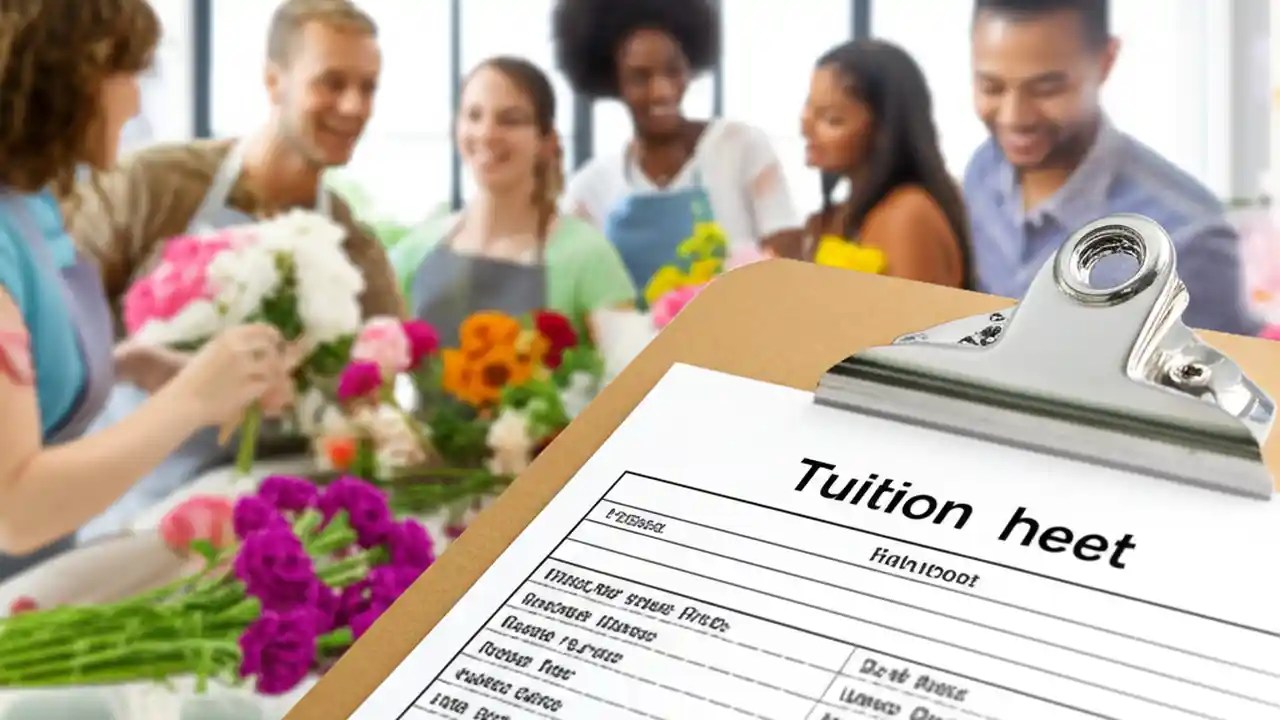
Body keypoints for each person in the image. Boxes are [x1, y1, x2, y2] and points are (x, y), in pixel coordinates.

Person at [61, 0, 400, 540]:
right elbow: (54, 337)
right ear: (274, 82)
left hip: (269, 526)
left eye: (369, 86)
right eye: (331, 82)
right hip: (131, 517)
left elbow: (379, 399)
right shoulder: (153, 186)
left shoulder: (357, 249)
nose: (354, 105)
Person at [0, 0, 292, 577]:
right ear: (66, 77)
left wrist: (129, 364)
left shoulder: (31, 202)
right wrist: (195, 399)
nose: (136, 99)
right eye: (127, 73)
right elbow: (16, 509)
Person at [963, 0, 1260, 335]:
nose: (1013, 117)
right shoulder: (982, 169)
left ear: (1106, 62)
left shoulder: (1188, 236)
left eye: (1047, 89)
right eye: (991, 87)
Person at [552, 0, 804, 309]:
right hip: (633, 354)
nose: (661, 90)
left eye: (673, 71)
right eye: (641, 77)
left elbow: (787, 251)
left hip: (737, 345)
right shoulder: (590, 188)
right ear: (613, 81)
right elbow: (575, 287)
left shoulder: (739, 146)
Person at [392, 57, 636, 346]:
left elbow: (632, 376)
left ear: (546, 141)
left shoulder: (588, 256)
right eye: (473, 115)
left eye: (510, 120)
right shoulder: (413, 253)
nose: (486, 134)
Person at [802, 40, 972, 288]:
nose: (806, 129)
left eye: (832, 119)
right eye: (809, 109)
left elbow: (919, 324)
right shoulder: (841, 214)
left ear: (885, 131)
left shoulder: (907, 215)